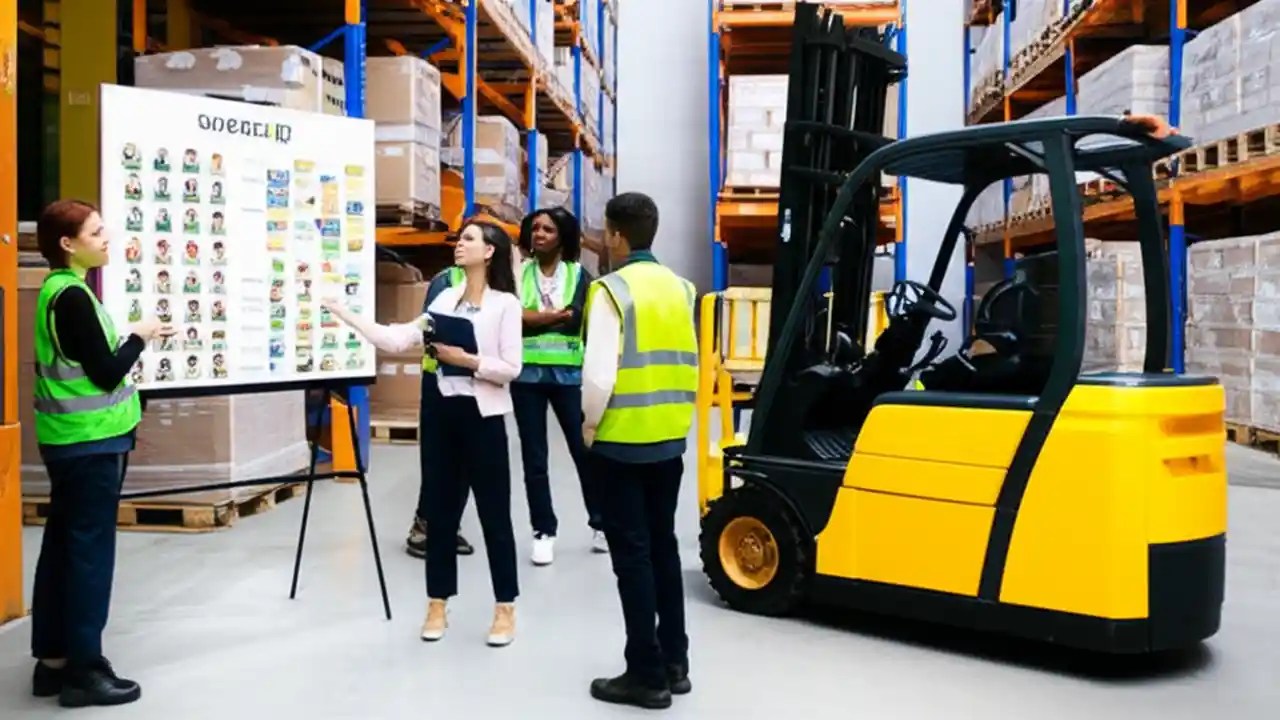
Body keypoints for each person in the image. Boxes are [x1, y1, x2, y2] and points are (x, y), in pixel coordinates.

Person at [325, 220, 524, 646]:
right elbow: (395, 341)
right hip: (443, 415)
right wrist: (344, 313)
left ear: (489, 252)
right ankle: (437, 604)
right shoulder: (444, 300)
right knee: (440, 516)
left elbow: (511, 368)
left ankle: (504, 608)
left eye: (469, 238)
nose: (459, 244)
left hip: (484, 418)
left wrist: (466, 359)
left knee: (495, 517)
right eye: (461, 237)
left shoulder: (506, 305)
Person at [29, 199, 174, 708]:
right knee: (90, 556)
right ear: (68, 245)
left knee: (63, 549)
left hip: (70, 442)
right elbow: (107, 371)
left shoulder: (60, 291)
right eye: (96, 231)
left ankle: (53, 662)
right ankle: (85, 672)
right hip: (90, 444)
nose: (107, 236)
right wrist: (140, 335)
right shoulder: (70, 296)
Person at [583, 193, 699, 709]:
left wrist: (589, 428)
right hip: (669, 438)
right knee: (663, 548)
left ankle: (645, 674)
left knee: (630, 556)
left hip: (623, 439)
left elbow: (599, 376)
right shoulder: (682, 288)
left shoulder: (611, 290)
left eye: (606, 233)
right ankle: (675, 662)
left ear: (616, 235)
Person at [512, 207, 605, 566]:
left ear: (562, 237)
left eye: (548, 229)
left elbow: (576, 320)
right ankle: (543, 531)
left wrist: (537, 319)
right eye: (535, 228)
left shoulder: (580, 275)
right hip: (527, 378)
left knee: (584, 452)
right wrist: (554, 316)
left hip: (568, 378)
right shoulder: (518, 274)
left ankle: (600, 523)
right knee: (534, 459)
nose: (539, 234)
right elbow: (514, 319)